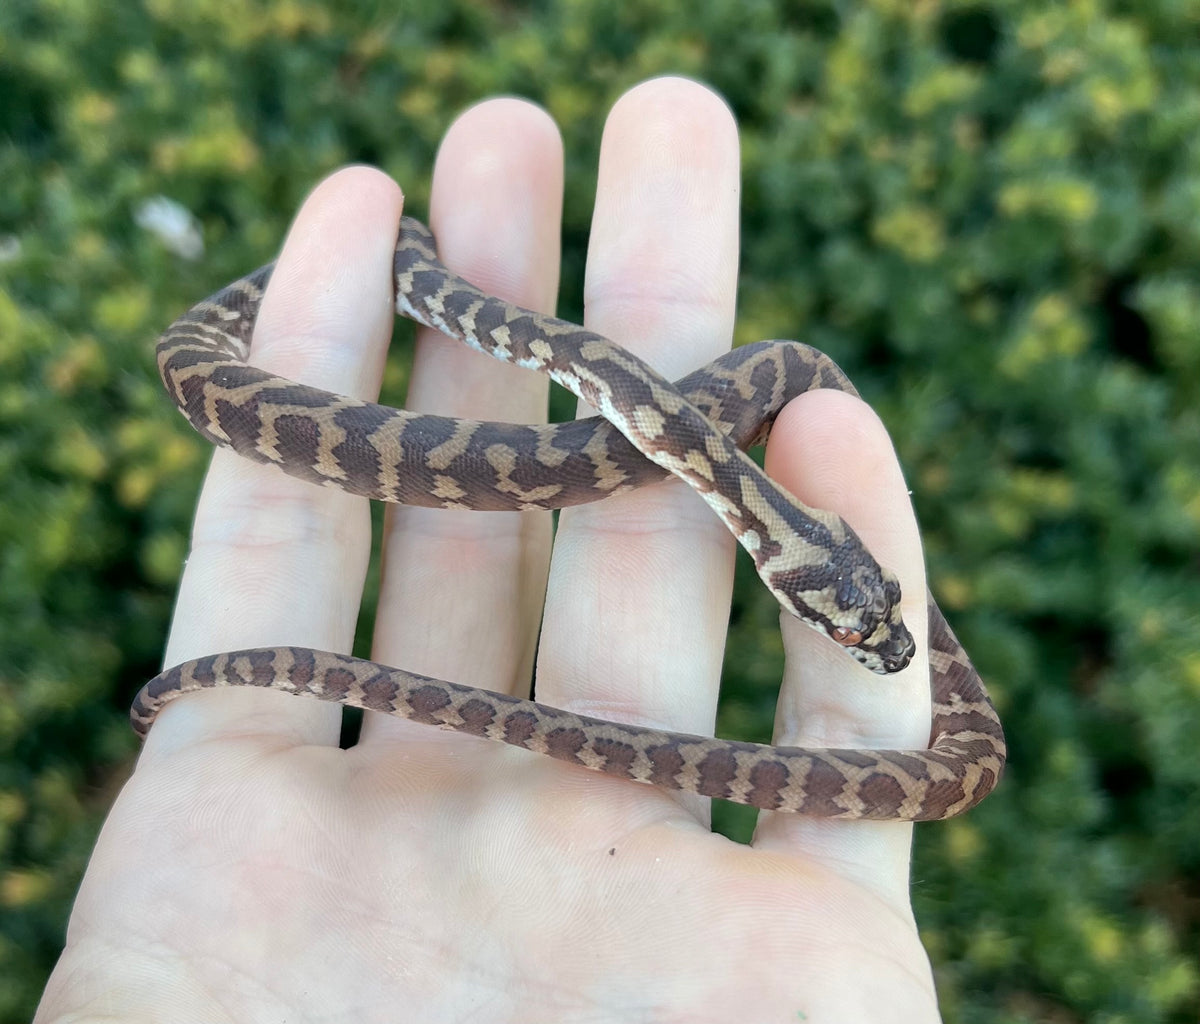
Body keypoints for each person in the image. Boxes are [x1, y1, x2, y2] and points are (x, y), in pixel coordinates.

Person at [36, 77, 945, 1022]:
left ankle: (402, 258)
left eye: (858, 625)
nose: (880, 644)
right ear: (792, 573)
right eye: (853, 623)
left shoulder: (769, 510)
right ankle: (400, 256)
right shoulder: (745, 499)